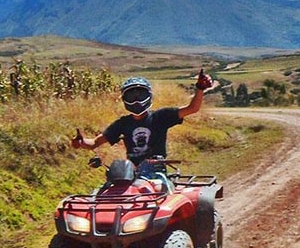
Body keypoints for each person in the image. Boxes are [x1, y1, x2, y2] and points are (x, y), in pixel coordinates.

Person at [71, 69, 213, 172]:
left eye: (140, 95)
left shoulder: (160, 117)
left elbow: (192, 108)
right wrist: (81, 142)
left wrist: (200, 88)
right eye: (131, 97)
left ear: (149, 96)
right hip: (130, 173)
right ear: (125, 100)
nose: (137, 101)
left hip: (157, 173)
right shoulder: (122, 123)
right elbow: (95, 143)